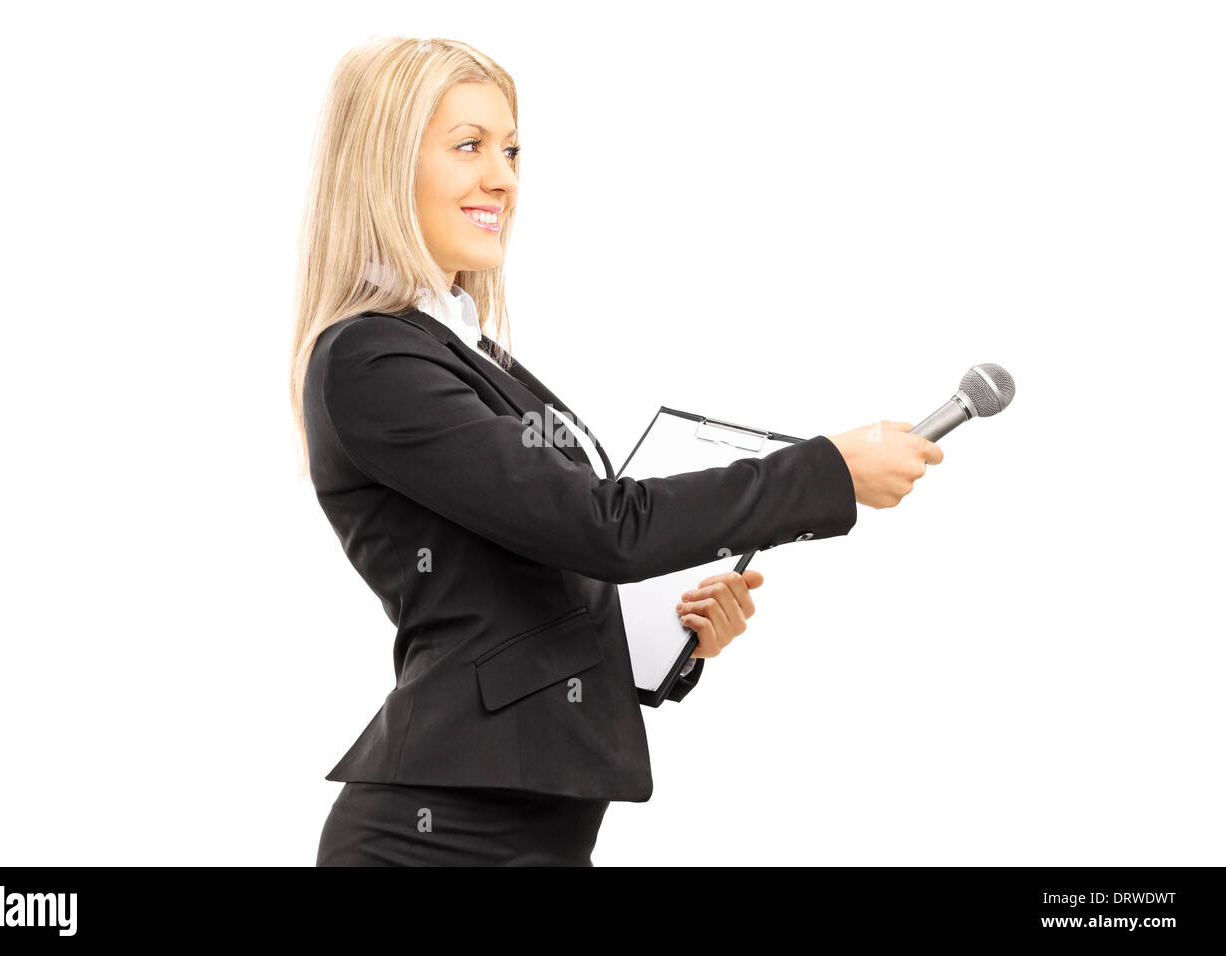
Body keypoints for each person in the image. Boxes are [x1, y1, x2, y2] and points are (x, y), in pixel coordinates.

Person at [287, 36, 943, 866]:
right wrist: (828, 472)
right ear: (384, 165)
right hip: (437, 840)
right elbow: (602, 529)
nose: (504, 178)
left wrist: (660, 638)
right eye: (469, 146)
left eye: (513, 150)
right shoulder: (372, 360)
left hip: (530, 836)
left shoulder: (462, 352)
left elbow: (530, 582)